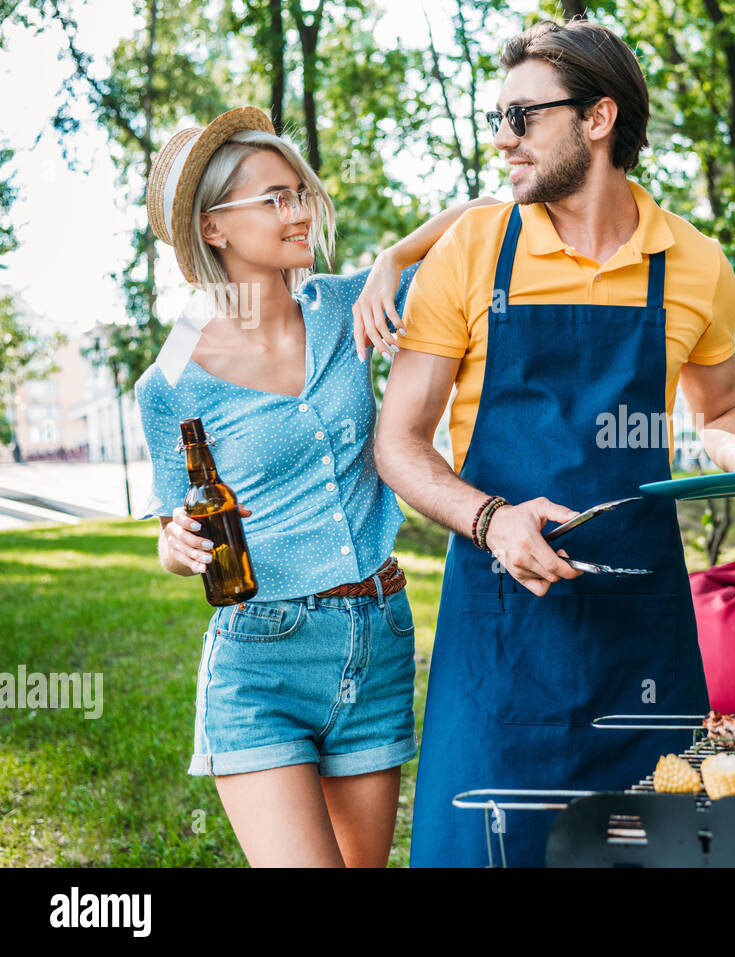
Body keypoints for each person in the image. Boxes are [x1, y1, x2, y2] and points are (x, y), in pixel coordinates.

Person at [375, 20, 735, 868]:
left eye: (522, 116)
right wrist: (491, 519)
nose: (500, 137)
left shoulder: (695, 263)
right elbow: (397, 443)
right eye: (496, 116)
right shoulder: (472, 251)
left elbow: (722, 409)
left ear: (597, 118)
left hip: (639, 632)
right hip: (500, 628)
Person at [135, 105, 497, 867]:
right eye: (273, 198)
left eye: (299, 192)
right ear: (213, 229)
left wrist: (395, 255)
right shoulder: (170, 383)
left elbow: (489, 209)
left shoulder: (342, 308)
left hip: (379, 633)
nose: (298, 211)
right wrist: (175, 543)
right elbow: (177, 535)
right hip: (261, 657)